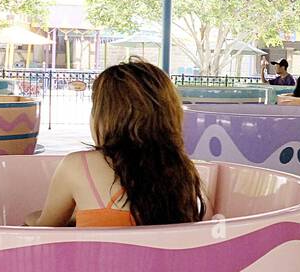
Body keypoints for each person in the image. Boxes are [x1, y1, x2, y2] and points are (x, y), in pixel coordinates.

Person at [29, 60, 205, 228]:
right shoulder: (183, 171)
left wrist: (31, 218)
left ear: (104, 115)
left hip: (103, 259)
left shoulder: (77, 165)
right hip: (166, 259)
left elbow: (45, 228)